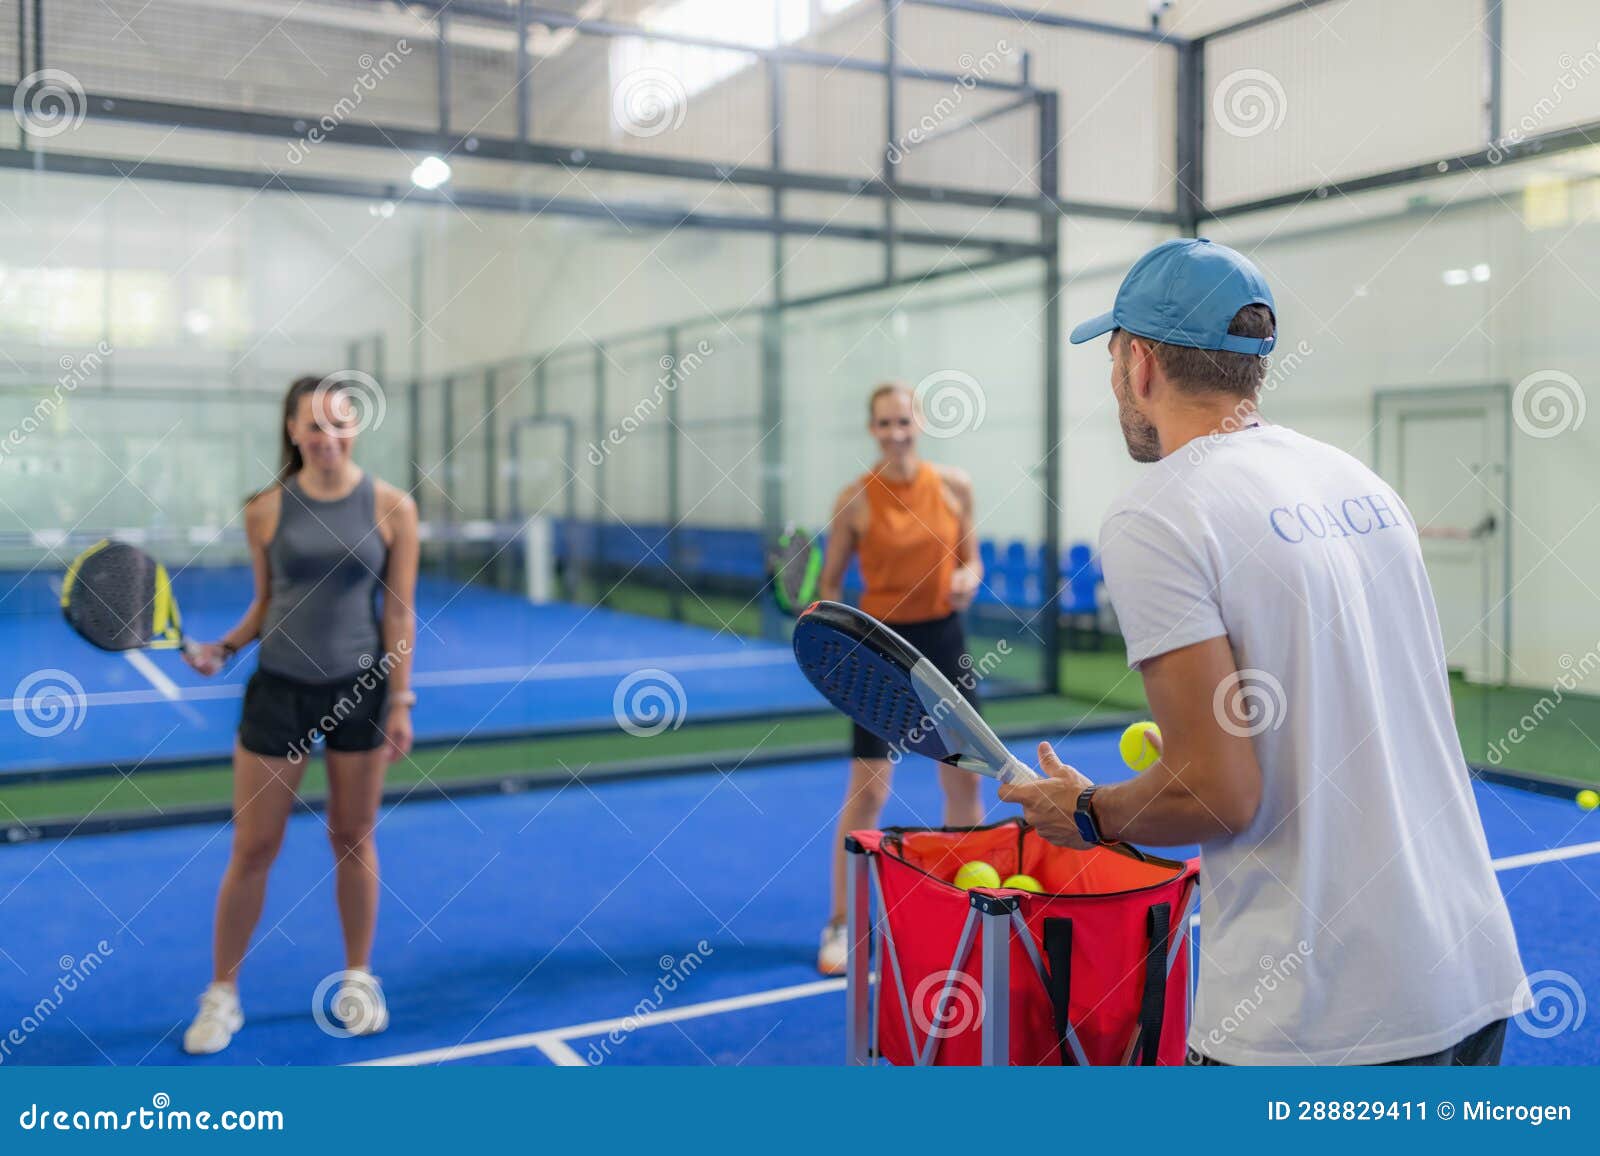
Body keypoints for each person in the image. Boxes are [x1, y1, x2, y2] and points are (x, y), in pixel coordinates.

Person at [1000, 238, 1527, 1065]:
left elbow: (1216, 795)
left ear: (1140, 363)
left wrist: (1090, 812)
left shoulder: (1157, 515)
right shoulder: (1361, 482)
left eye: (1111, 358)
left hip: (1321, 1023)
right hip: (1470, 976)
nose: (1113, 383)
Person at [179, 375, 419, 1055]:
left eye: (339, 424)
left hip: (361, 694)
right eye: (312, 427)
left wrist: (400, 698)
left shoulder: (394, 508)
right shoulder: (263, 510)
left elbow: (398, 612)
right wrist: (224, 647)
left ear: (356, 426)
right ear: (291, 431)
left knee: (353, 837)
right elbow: (267, 604)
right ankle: (221, 995)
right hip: (278, 694)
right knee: (254, 848)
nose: (326, 438)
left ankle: (358, 980)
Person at [815, 382, 983, 976]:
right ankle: (841, 923)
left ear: (919, 423)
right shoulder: (854, 501)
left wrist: (969, 579)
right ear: (873, 430)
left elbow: (971, 559)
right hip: (880, 649)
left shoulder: (955, 487)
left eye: (903, 422)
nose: (896, 433)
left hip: (945, 646)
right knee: (869, 793)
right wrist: (835, 637)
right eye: (884, 424)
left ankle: (968, 908)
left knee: (963, 786)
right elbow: (830, 584)